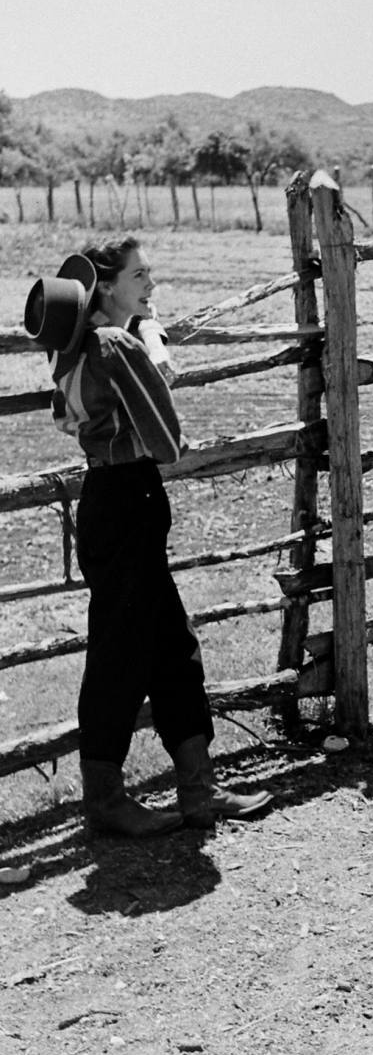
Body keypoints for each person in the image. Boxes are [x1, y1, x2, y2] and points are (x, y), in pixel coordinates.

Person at [23, 239, 272, 837]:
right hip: (132, 499)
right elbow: (167, 442)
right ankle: (108, 801)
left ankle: (197, 791)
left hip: (108, 500)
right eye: (139, 274)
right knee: (120, 652)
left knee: (169, 644)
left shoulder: (76, 352)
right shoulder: (115, 344)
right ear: (105, 288)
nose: (150, 281)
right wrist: (151, 347)